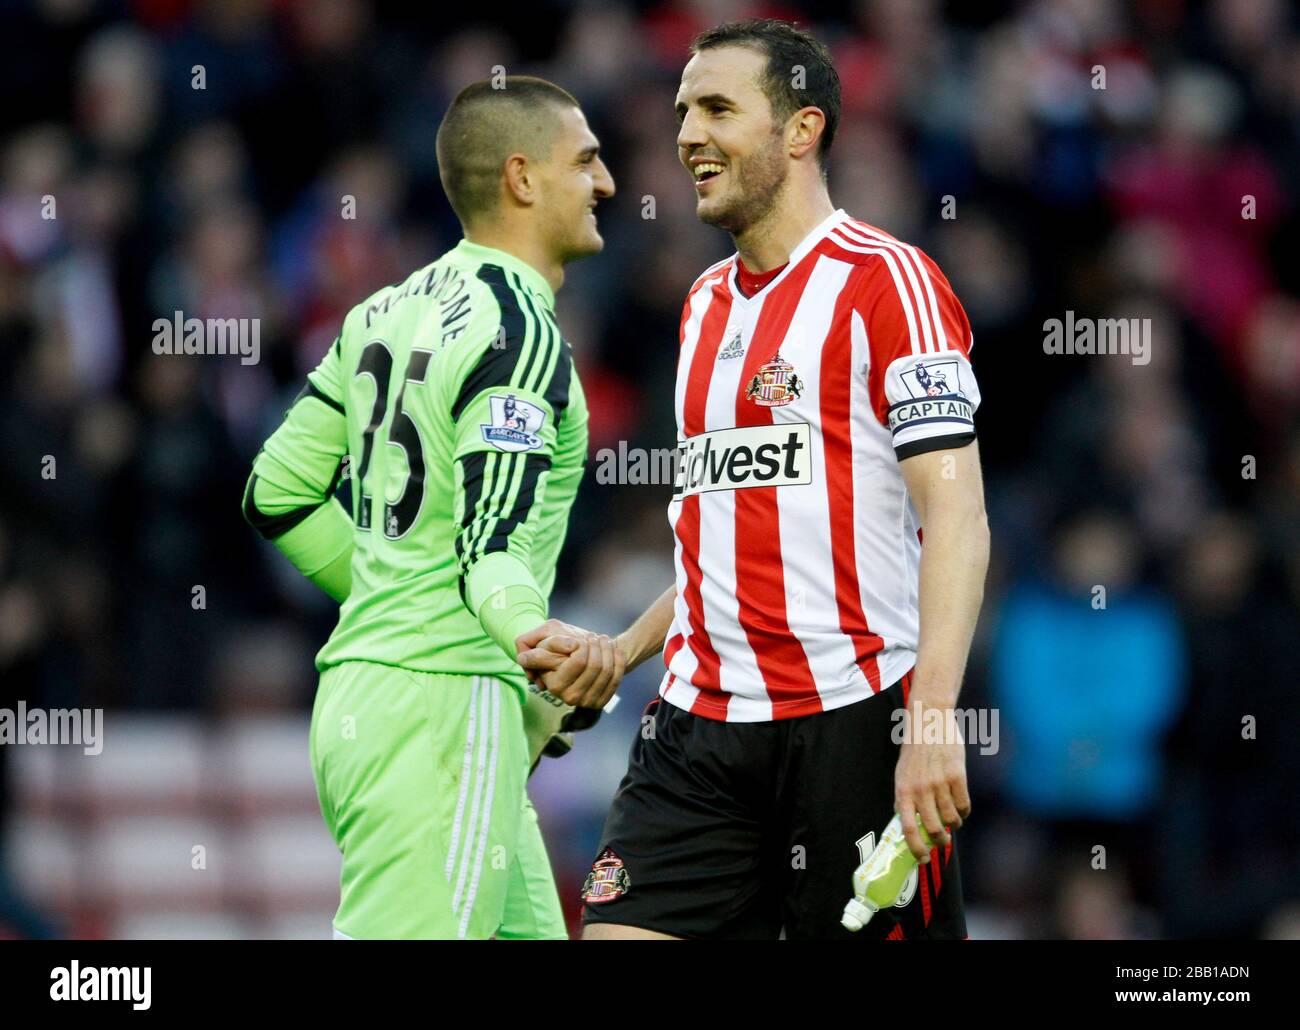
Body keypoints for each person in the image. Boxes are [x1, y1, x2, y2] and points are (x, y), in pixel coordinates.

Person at [520, 19, 988, 940]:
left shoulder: (888, 284)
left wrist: (931, 719)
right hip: (697, 726)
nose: (688, 131)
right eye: (684, 109)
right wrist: (626, 646)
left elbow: (959, 518)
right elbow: (723, 534)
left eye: (719, 108)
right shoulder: (702, 306)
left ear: (801, 129)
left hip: (853, 718)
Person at [242, 76, 622, 939]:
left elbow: (278, 492)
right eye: (587, 161)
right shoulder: (518, 328)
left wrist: (397, 593)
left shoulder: (382, 309)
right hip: (443, 716)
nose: (605, 184)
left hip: (362, 700)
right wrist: (541, 644)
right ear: (523, 179)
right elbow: (491, 546)